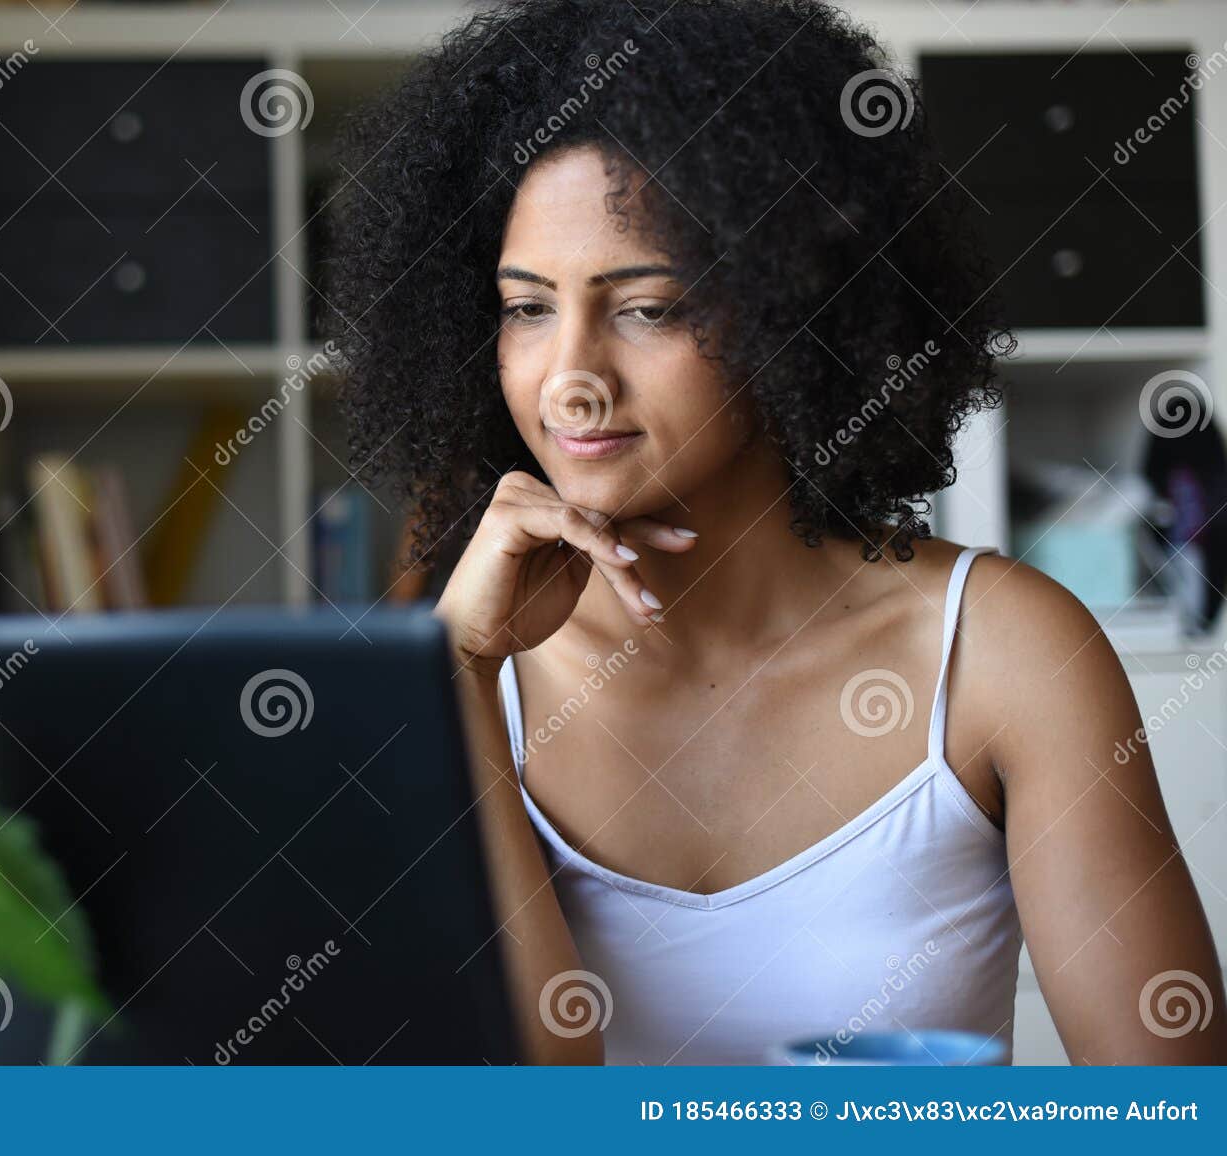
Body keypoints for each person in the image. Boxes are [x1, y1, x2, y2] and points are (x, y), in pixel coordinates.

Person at [322, 0, 1226, 1065]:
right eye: (525, 308)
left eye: (648, 307)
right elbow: (532, 1108)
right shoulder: (454, 673)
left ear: (797, 308)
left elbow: (1173, 1110)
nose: (568, 376)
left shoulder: (1005, 652)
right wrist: (460, 683)